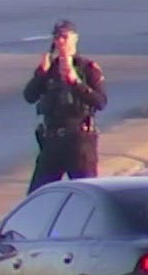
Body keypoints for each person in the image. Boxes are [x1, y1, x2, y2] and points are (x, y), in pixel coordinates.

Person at [22, 19, 106, 192]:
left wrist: (76, 82)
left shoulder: (87, 68)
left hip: (79, 142)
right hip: (52, 141)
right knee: (38, 193)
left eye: (65, 37)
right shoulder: (50, 69)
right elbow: (29, 96)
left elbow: (100, 102)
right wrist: (40, 74)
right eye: (57, 37)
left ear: (75, 39)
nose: (60, 41)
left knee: (86, 192)